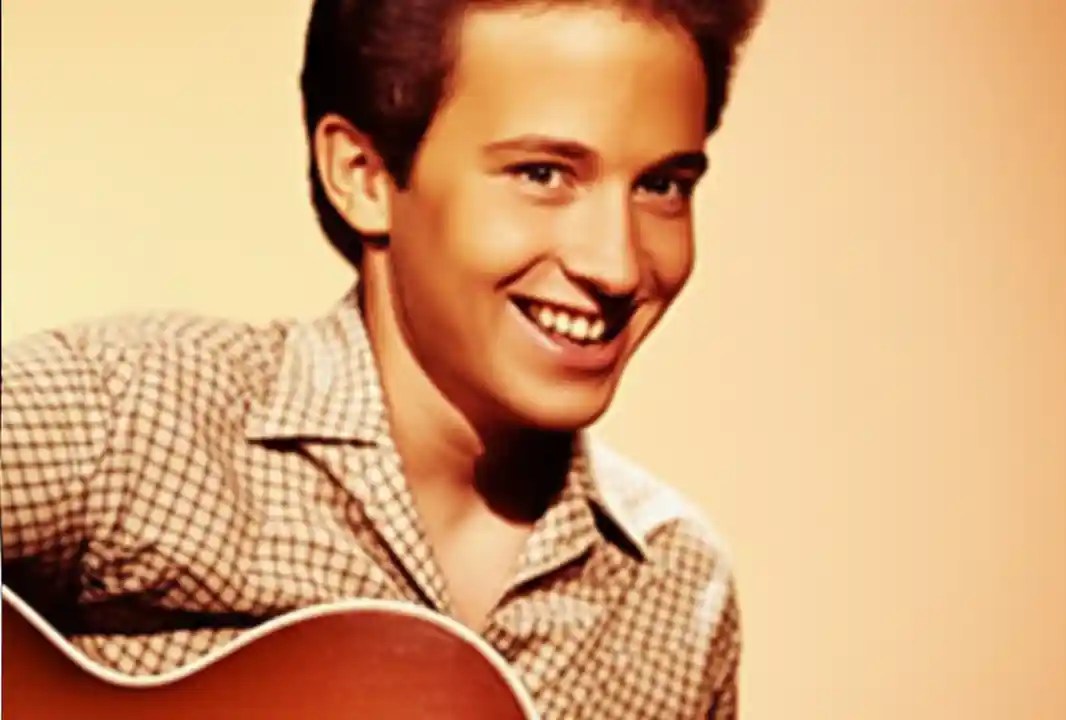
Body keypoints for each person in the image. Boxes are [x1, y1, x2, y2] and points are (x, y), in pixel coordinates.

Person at [0, 0, 763, 716]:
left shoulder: (674, 589)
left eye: (662, 186)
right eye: (542, 175)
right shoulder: (136, 416)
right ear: (362, 177)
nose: (618, 266)